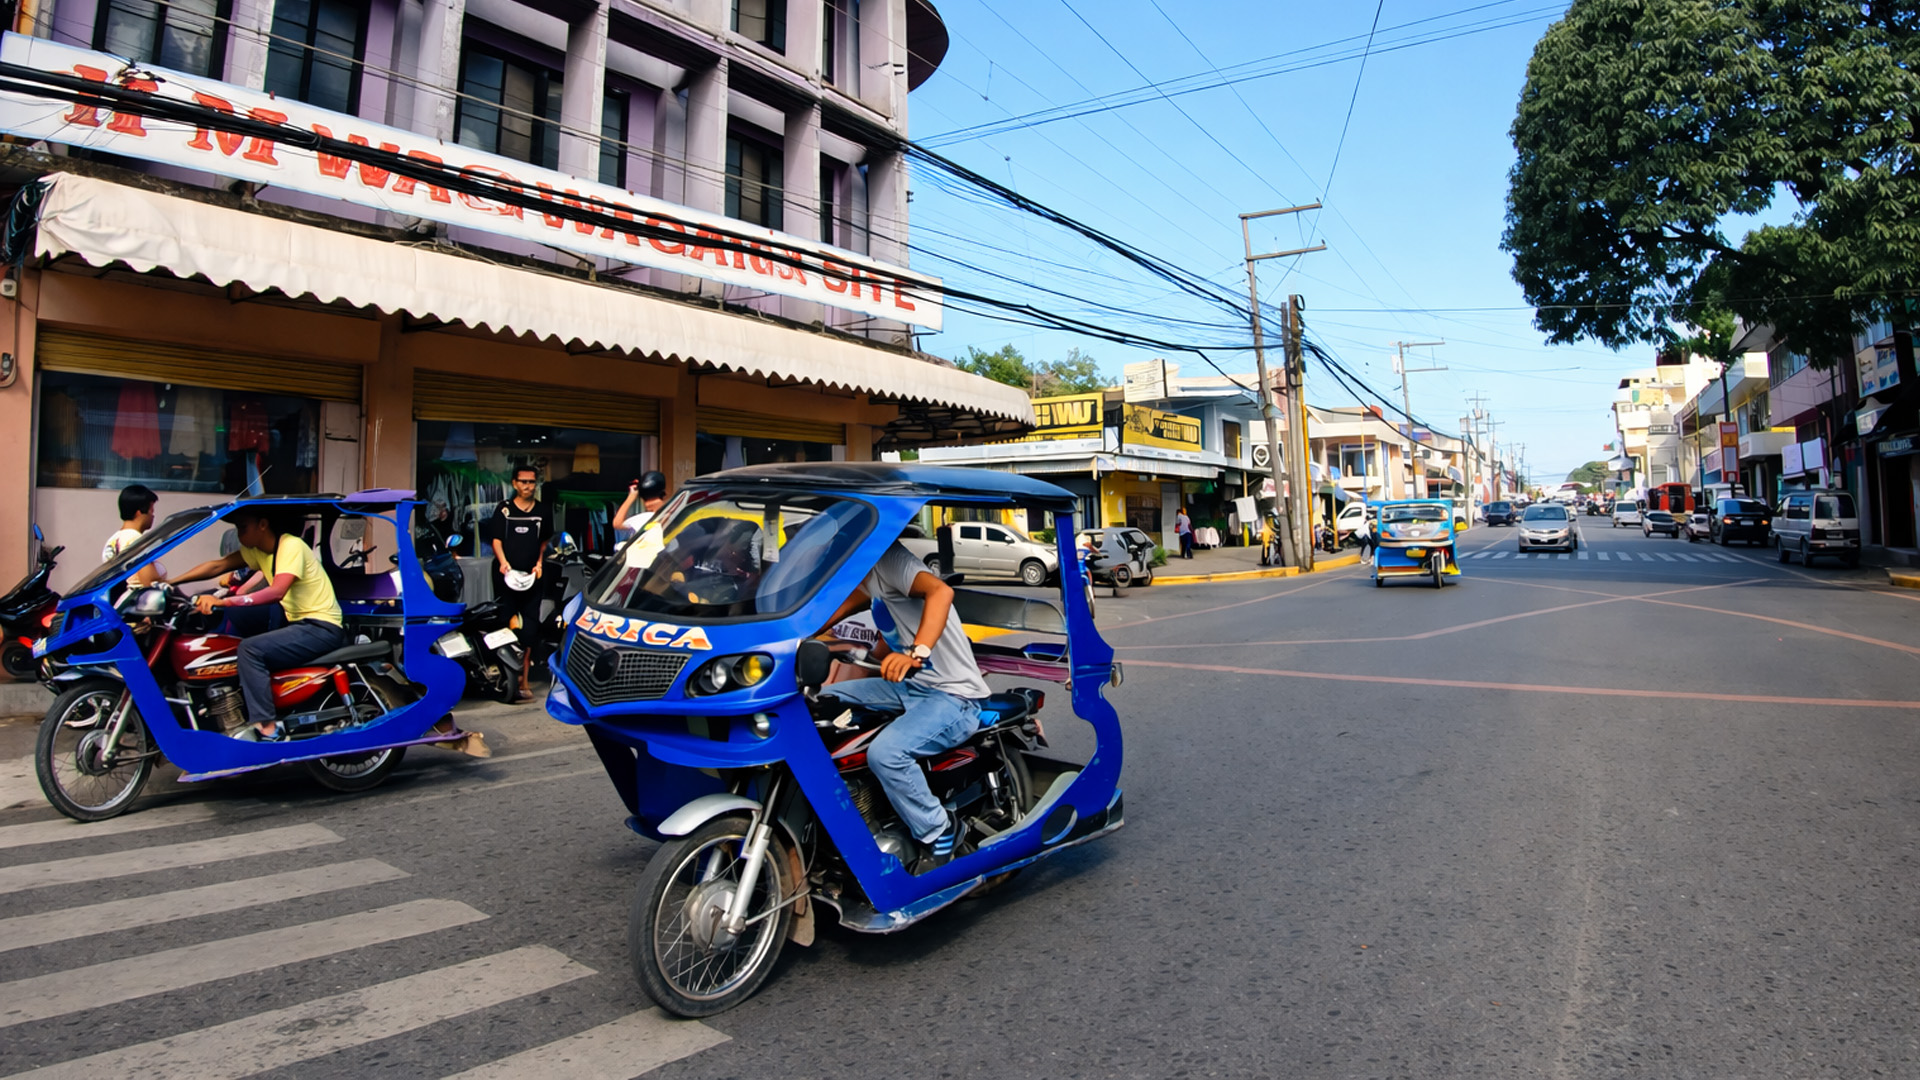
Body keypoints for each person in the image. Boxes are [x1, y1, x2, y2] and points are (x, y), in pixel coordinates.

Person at [817, 538, 993, 874]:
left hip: (954, 695)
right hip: (912, 688)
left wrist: (916, 653)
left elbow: (941, 592)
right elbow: (828, 615)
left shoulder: (890, 556)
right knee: (826, 700)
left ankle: (939, 829)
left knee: (886, 754)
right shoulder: (866, 573)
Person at [167, 509, 343, 740]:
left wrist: (224, 601)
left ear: (262, 524)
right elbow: (218, 566)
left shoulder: (291, 546)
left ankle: (268, 728)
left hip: (321, 627)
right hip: (299, 624)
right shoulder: (258, 552)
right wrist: (169, 582)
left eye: (243, 527)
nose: (239, 534)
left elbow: (276, 591)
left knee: (249, 649)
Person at [485, 465, 552, 702]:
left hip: (532, 577)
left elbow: (543, 542)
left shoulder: (543, 510)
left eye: (532, 482)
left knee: (530, 629)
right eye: (523, 482)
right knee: (505, 622)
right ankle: (505, 678)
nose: (528, 486)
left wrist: (539, 563)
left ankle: (524, 681)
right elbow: (496, 540)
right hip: (507, 576)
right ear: (514, 483)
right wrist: (503, 563)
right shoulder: (504, 510)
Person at [103, 484, 161, 586]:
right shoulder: (136, 540)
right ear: (139, 513)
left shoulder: (112, 540)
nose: (153, 516)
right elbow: (151, 583)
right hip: (139, 599)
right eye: (151, 511)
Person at [612, 470, 670, 535]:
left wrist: (631, 496)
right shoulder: (673, 514)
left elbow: (617, 523)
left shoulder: (643, 519)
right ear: (664, 493)